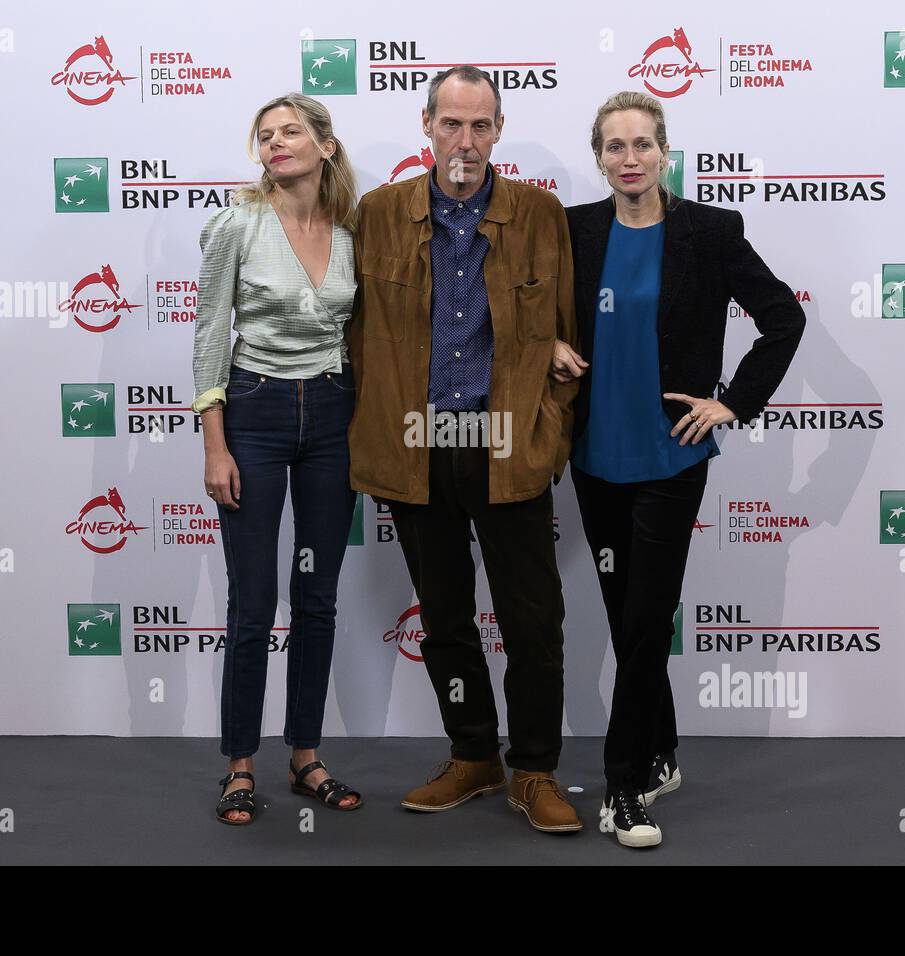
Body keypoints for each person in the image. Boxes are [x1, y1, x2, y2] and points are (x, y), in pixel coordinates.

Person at [553, 91, 806, 848]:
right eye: (614, 146)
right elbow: (526, 310)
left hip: (671, 455)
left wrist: (733, 402)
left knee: (643, 622)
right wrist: (544, 348)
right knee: (629, 615)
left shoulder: (711, 231)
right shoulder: (575, 231)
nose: (629, 158)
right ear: (599, 157)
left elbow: (783, 319)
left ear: (665, 150)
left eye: (642, 144)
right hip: (596, 457)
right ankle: (661, 752)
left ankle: (622, 789)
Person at [346, 66, 583, 833]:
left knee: (533, 620)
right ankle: (474, 755)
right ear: (427, 125)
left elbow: (568, 334)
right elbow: (353, 337)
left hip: (506, 438)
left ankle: (536, 769)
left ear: (499, 131)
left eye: (480, 125)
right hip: (418, 443)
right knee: (444, 619)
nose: (465, 140)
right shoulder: (378, 215)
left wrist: (548, 428)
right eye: (452, 123)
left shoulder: (540, 215)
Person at [192, 92, 363, 825]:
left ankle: (305, 757)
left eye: (292, 131)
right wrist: (215, 444)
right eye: (265, 134)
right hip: (255, 415)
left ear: (326, 145)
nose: (276, 142)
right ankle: (238, 766)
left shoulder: (354, 231)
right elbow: (208, 335)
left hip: (333, 415)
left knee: (317, 600)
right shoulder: (236, 224)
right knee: (254, 601)